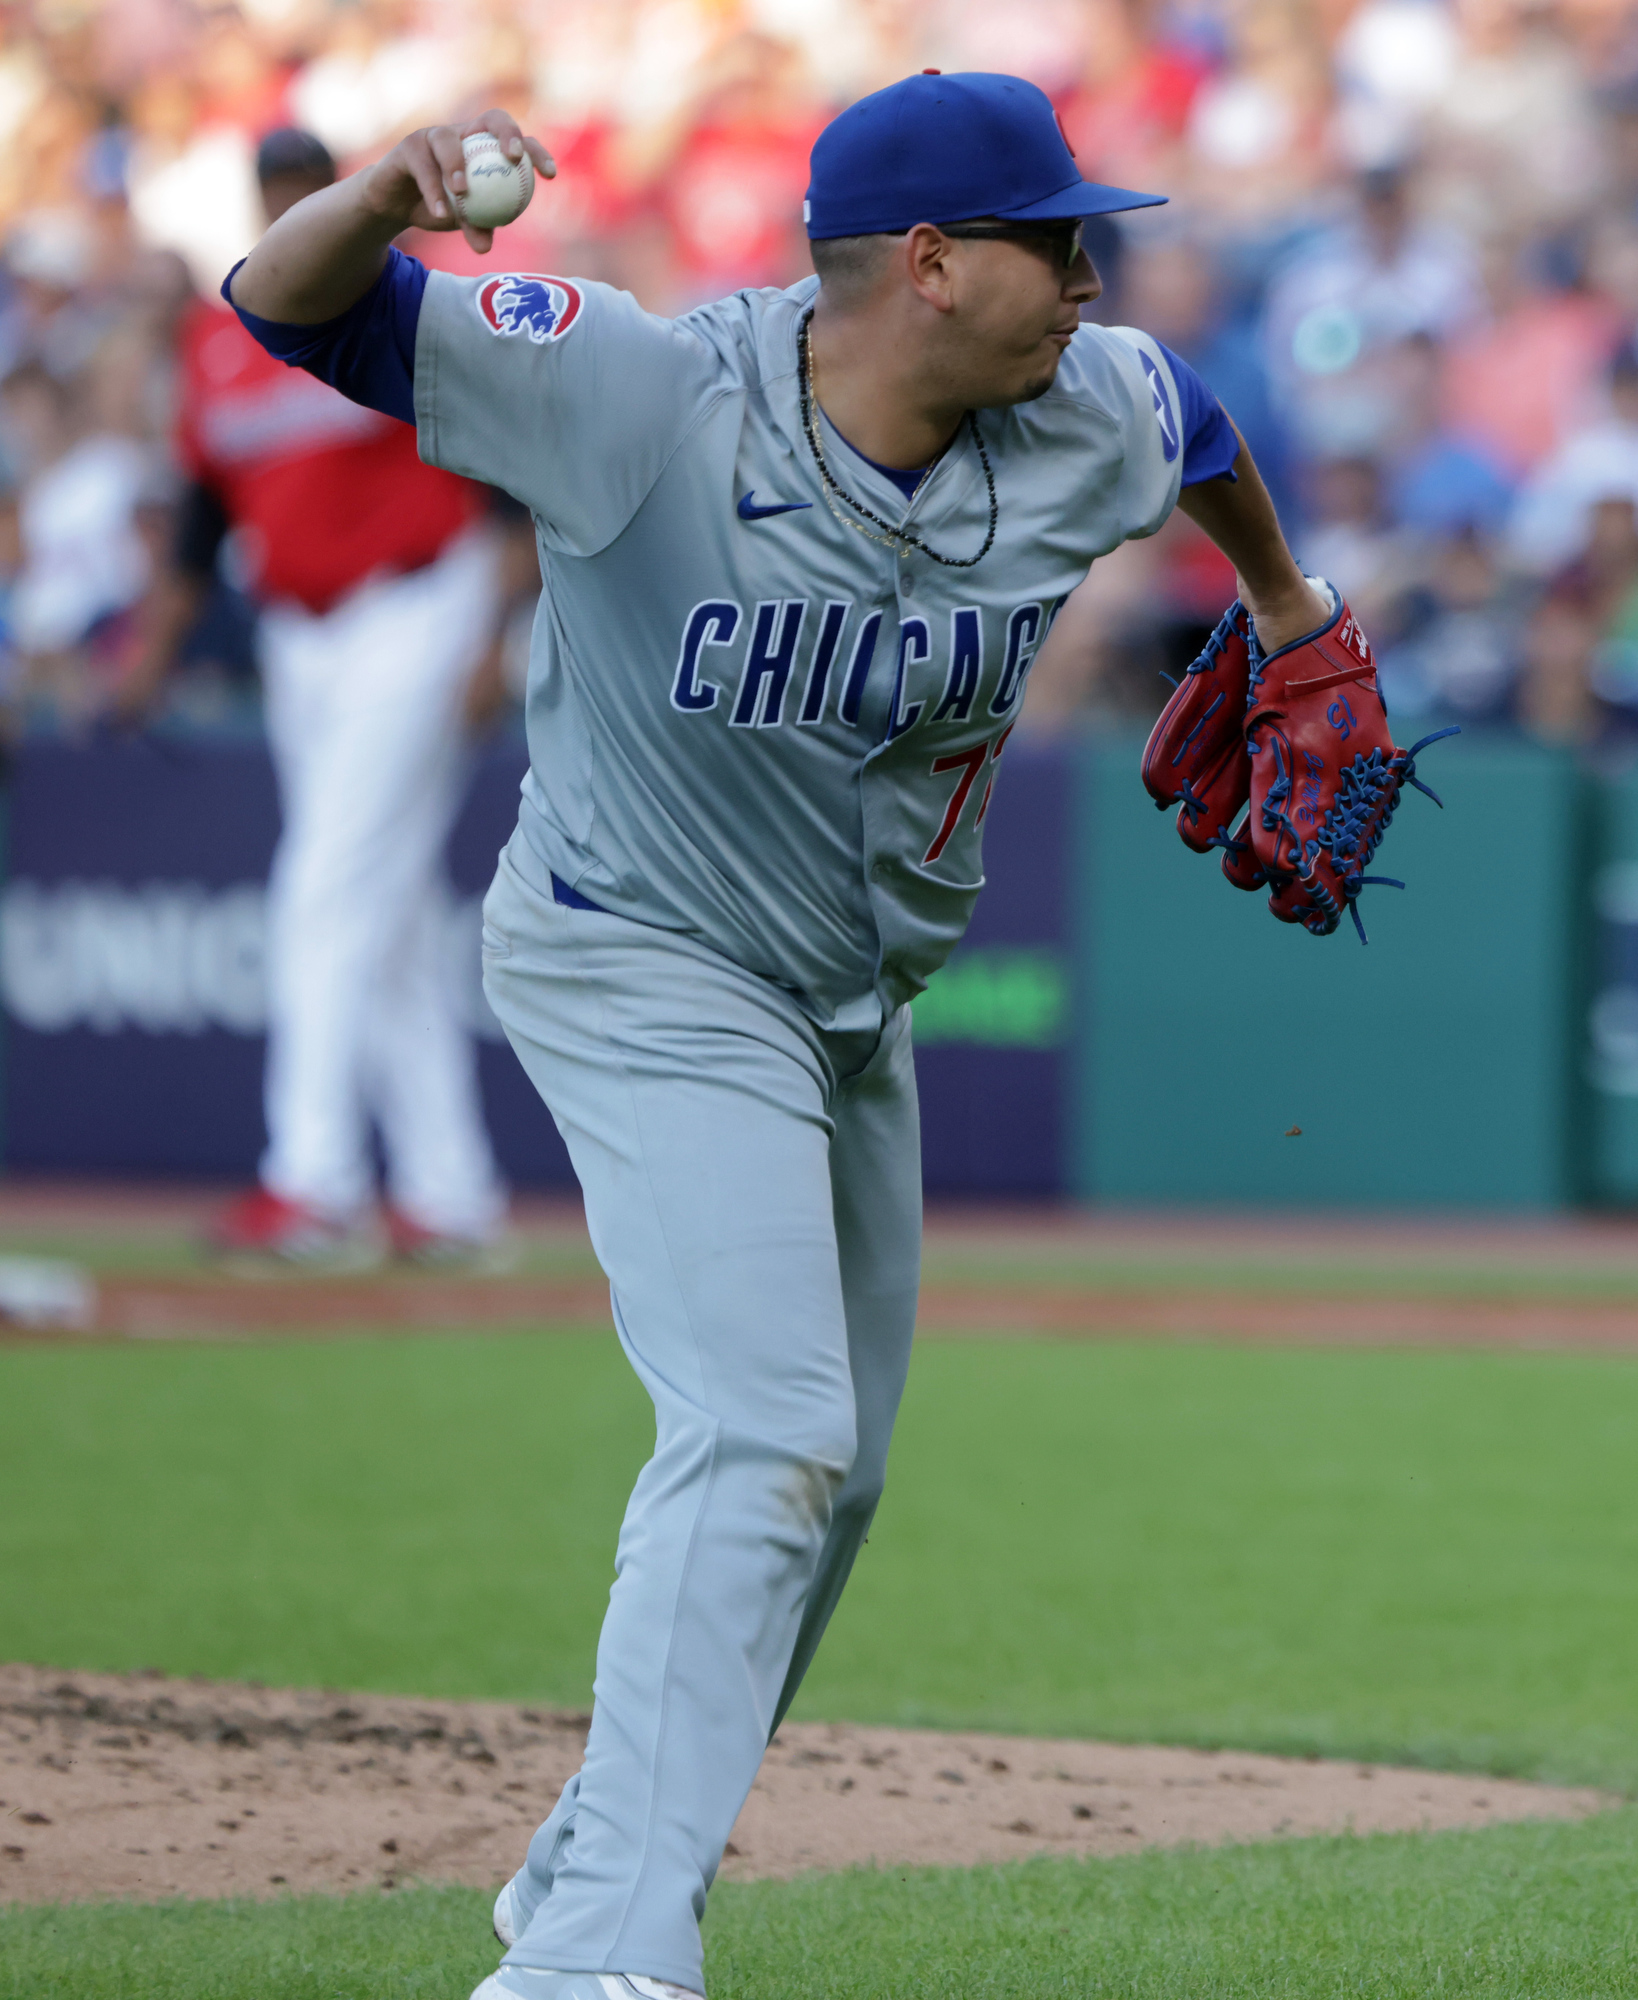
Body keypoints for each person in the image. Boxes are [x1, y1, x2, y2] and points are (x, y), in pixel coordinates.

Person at [226, 72, 1331, 1998]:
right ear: (924, 264)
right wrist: (384, 193)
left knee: (839, 1470)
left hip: (847, 998)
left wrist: (1289, 606)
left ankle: (590, 1848)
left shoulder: (1087, 402)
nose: (1091, 273)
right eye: (1051, 239)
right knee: (764, 1426)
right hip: (639, 952)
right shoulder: (637, 390)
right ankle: (595, 1959)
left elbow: (1203, 426)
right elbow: (287, 303)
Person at [123, 127, 513, 1265]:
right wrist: (156, 640)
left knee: (325, 888)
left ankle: (316, 1180)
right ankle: (451, 1195)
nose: (292, 199)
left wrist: (494, 633)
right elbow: (202, 512)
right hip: (300, 638)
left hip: (416, 614)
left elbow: (501, 465)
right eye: (278, 188)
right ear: (260, 199)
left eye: (309, 184)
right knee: (378, 916)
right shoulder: (227, 331)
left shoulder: (402, 299)